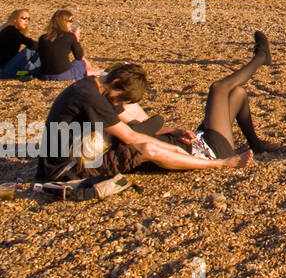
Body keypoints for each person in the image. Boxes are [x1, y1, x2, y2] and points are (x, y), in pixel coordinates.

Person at [35, 32, 273, 183]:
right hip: (67, 168)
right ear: (116, 82)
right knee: (220, 89)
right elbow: (130, 136)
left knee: (237, 92)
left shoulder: (97, 89)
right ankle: (261, 58)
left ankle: (257, 144)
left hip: (78, 155)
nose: (120, 104)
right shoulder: (91, 96)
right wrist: (175, 147)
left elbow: (130, 127)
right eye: (122, 99)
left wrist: (170, 130)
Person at [38, 10, 104, 82]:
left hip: (44, 75)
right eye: (71, 20)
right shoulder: (69, 36)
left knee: (74, 63)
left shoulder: (42, 38)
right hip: (61, 75)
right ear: (64, 22)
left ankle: (92, 70)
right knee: (80, 63)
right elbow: (79, 56)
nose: (72, 23)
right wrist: (76, 38)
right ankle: (93, 72)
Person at [1, 8, 41, 79]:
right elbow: (31, 44)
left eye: (28, 19)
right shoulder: (11, 31)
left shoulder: (8, 30)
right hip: (5, 71)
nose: (26, 21)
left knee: (30, 70)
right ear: (15, 19)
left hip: (10, 71)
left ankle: (30, 72)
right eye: (23, 18)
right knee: (30, 50)